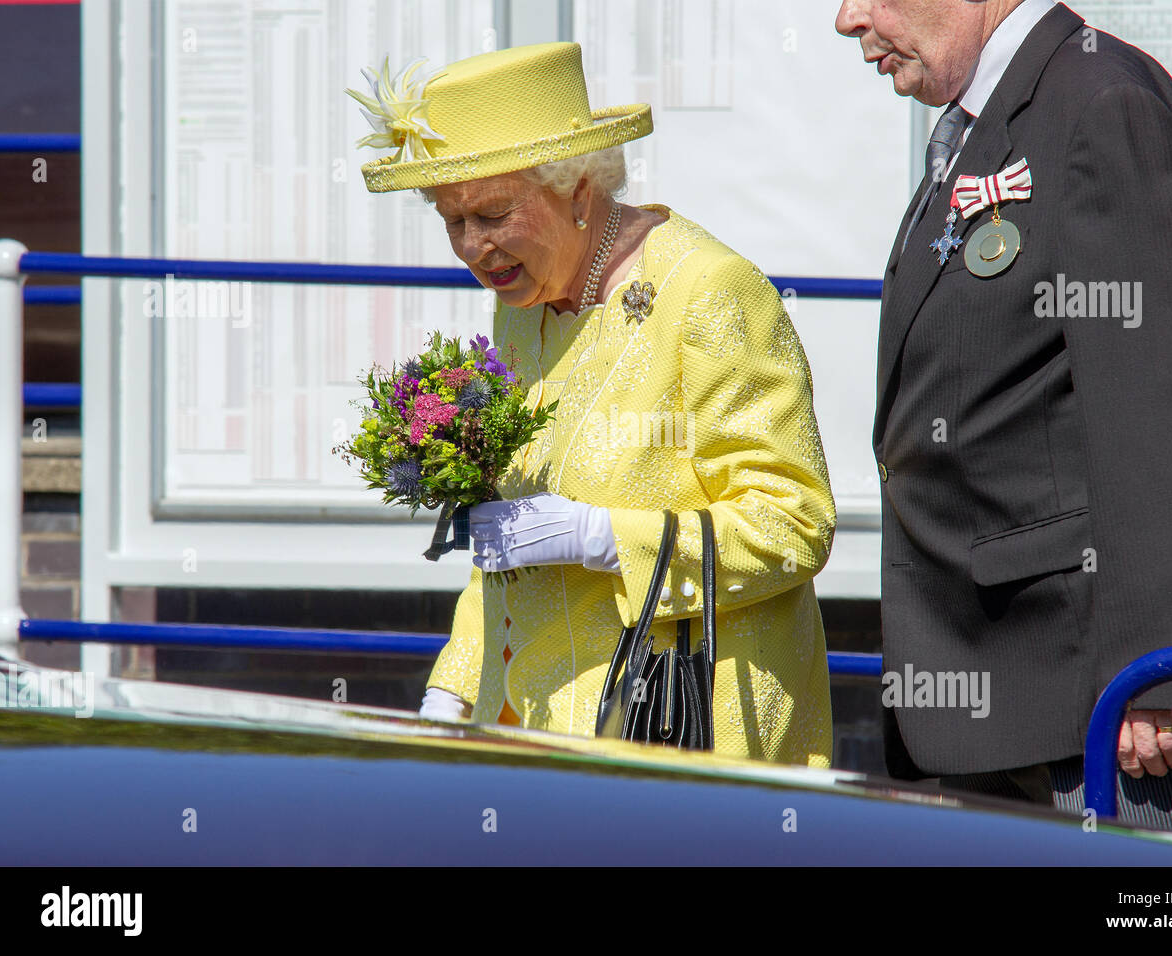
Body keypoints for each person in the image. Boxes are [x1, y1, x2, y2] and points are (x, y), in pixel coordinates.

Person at [835, 0, 1172, 844]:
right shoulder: (993, 118)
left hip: (1108, 709)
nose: (845, 18)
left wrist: (1156, 673)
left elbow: (1168, 412)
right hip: (1003, 685)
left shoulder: (1099, 102)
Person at [347, 42, 837, 767]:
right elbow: (507, 538)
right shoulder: (525, 305)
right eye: (453, 220)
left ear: (579, 192)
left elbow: (795, 524)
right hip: (535, 722)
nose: (474, 248)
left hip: (682, 724)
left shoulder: (709, 292)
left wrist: (605, 537)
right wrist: (450, 695)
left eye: (493, 213)